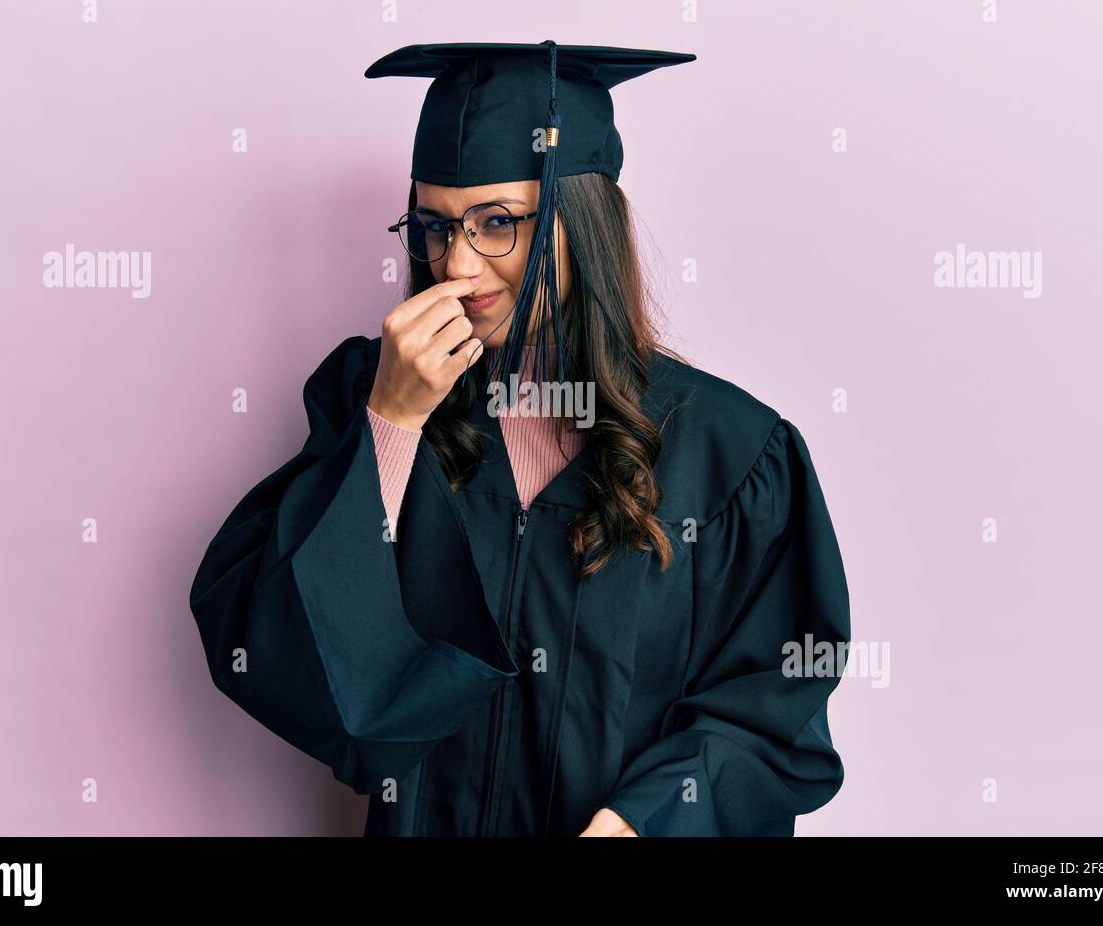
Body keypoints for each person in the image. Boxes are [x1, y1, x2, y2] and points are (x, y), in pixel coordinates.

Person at [188, 41, 852, 837]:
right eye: (433, 226)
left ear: (582, 219)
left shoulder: (732, 453)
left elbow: (773, 711)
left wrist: (643, 820)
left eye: (497, 222)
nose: (457, 265)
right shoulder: (372, 400)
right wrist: (393, 423)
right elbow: (280, 653)